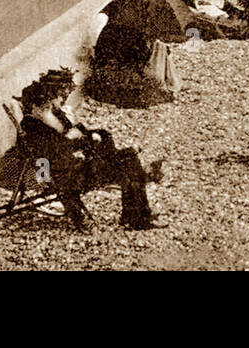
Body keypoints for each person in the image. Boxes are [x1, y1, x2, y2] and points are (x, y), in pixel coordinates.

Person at [18, 67, 158, 231]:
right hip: (69, 175)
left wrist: (85, 135)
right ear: (48, 96)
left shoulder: (51, 114)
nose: (63, 100)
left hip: (75, 165)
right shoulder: (34, 124)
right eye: (60, 96)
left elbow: (73, 133)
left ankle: (137, 214)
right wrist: (82, 139)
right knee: (129, 163)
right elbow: (55, 150)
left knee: (120, 151)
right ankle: (136, 216)